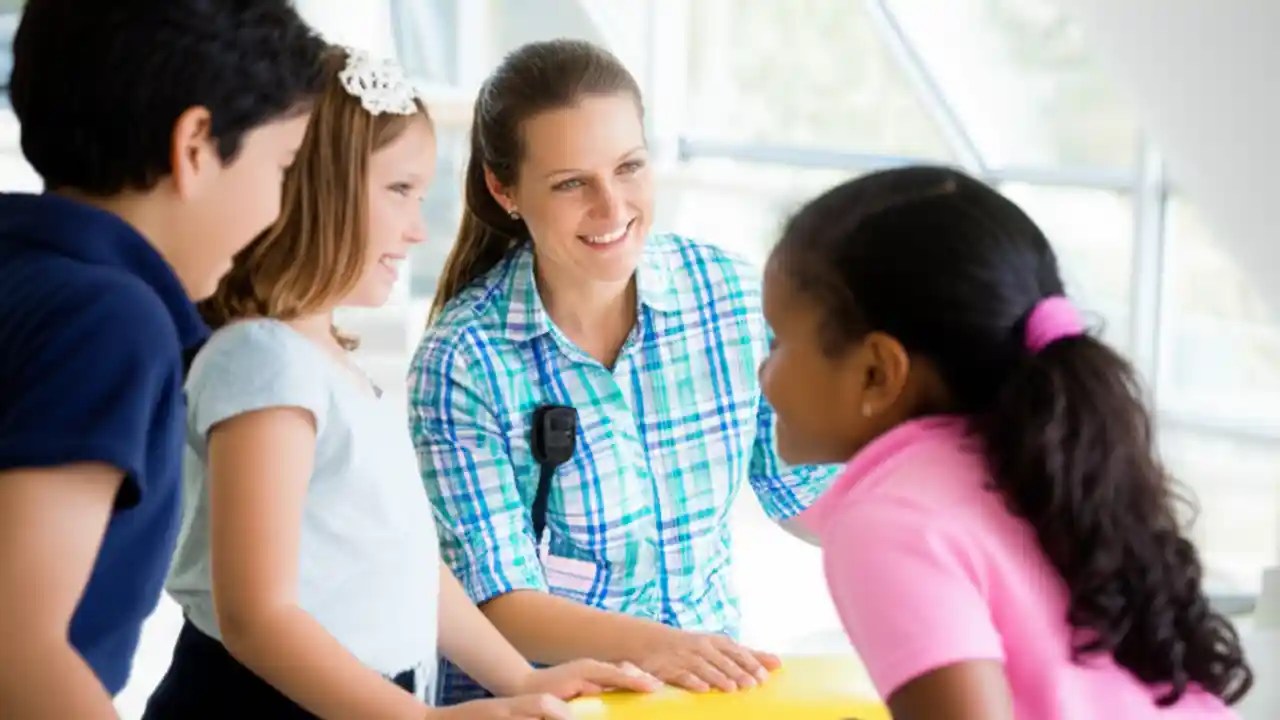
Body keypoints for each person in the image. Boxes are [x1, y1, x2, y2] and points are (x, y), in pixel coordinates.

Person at [141, 47, 659, 720]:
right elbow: (256, 617)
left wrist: (522, 679)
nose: (418, 230)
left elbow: (409, 561)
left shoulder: (325, 361)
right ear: (315, 190)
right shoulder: (263, 362)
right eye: (398, 192)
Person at [408, 38, 836, 706]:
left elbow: (804, 487)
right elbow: (499, 600)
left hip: (705, 693)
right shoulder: (463, 358)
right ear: (504, 188)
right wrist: (663, 647)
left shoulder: (730, 297)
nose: (613, 209)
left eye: (629, 167)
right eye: (571, 183)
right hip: (549, 701)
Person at [761, 166, 1254, 718]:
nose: (763, 372)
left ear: (878, 372)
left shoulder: (888, 519)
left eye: (777, 341)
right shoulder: (1046, 461)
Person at [0, 2, 325, 717]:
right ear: (197, 144)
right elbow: (17, 650)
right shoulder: (107, 320)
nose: (280, 204)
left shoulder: (27, 273)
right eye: (284, 165)